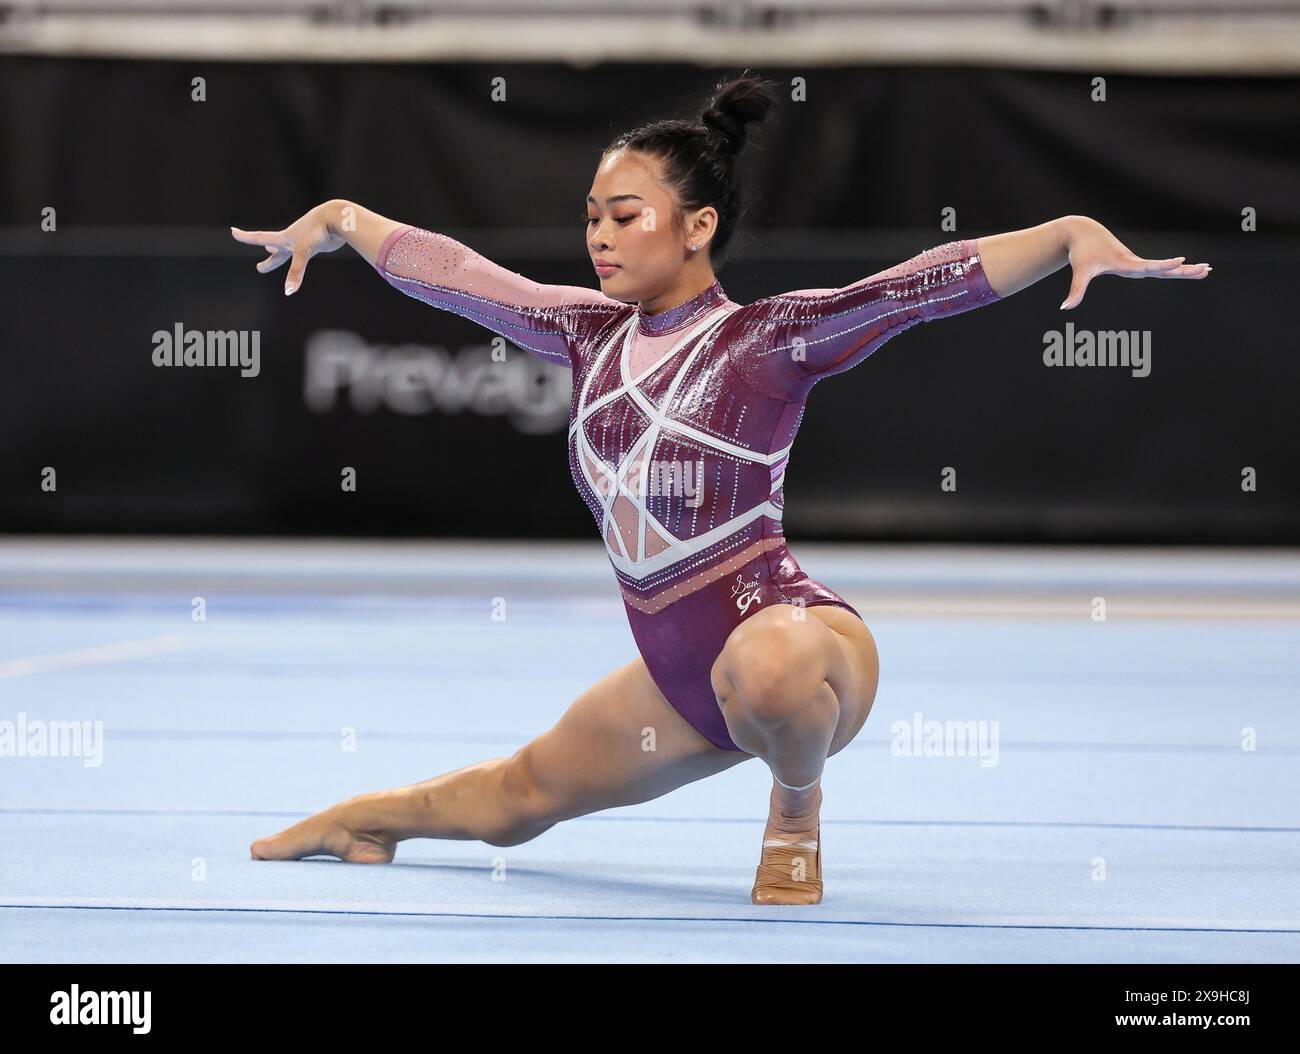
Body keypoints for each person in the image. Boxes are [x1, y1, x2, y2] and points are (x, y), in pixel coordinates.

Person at [232, 73, 1209, 904]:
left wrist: (1065, 231)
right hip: (682, 680)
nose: (598, 238)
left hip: (803, 644)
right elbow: (461, 277)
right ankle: (360, 820)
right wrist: (344, 219)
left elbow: (909, 290)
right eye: (589, 219)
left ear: (696, 226)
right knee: (516, 799)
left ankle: (795, 804)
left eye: (624, 217)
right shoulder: (586, 333)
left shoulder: (767, 339)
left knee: (769, 666)